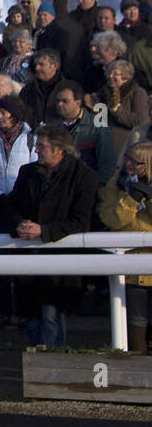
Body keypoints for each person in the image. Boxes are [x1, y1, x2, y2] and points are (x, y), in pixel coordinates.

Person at [0, 125, 99, 347]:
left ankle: (51, 371)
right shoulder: (28, 172)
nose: (36, 150)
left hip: (59, 261)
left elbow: (81, 220)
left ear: (59, 149)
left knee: (51, 315)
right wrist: (19, 224)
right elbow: (11, 206)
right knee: (31, 319)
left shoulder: (84, 176)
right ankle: (37, 368)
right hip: (29, 258)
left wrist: (44, 231)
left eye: (41, 146)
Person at [97, 140, 152, 355]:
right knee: (135, 323)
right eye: (127, 158)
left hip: (147, 261)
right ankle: (137, 376)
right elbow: (109, 218)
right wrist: (131, 200)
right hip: (130, 268)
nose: (128, 164)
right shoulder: (118, 184)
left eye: (135, 161)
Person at [54, 82, 116, 182]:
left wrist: (99, 187)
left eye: (65, 101)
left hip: (87, 185)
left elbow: (107, 162)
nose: (59, 104)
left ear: (78, 102)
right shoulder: (53, 128)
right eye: (57, 101)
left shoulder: (98, 126)